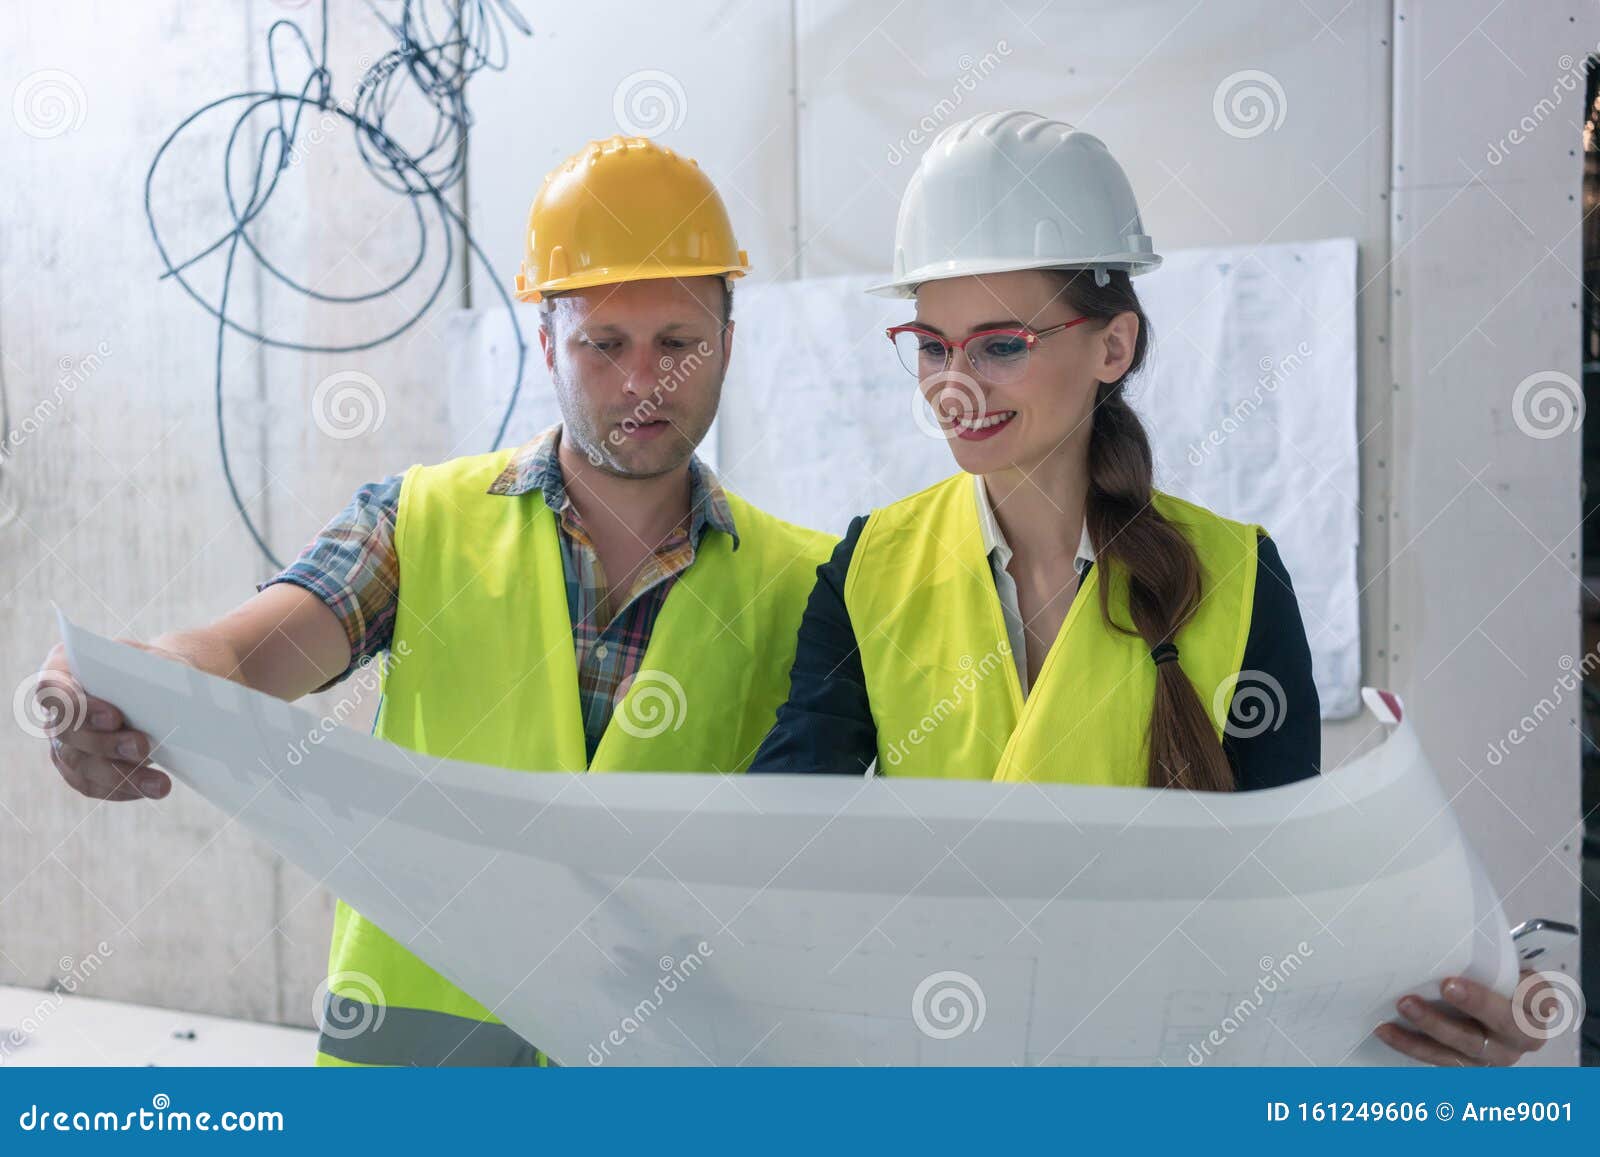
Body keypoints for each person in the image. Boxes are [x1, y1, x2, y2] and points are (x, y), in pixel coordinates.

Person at [750, 109, 1549, 1065]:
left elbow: (1288, 898)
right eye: (931, 344)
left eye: (1000, 344)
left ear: (1113, 347)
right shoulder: (870, 567)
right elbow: (780, 842)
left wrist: (1455, 996)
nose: (952, 385)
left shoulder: (1239, 578)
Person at [34, 135, 834, 1066]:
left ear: (729, 343)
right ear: (546, 340)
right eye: (603, 344)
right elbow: (248, 655)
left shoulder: (810, 585)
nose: (639, 382)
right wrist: (132, 682)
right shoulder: (419, 522)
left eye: (679, 344)